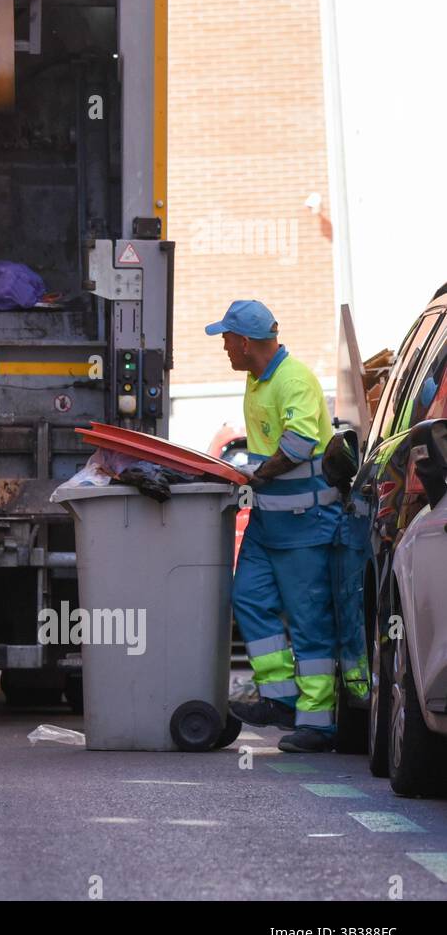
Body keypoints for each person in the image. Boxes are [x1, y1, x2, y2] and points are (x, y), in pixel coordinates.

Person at [208, 300, 342, 752]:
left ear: (246, 342)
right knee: (248, 598)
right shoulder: (257, 379)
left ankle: (318, 724)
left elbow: (301, 444)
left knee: (309, 623)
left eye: (227, 339)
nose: (224, 347)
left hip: (305, 525)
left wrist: (256, 474)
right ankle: (280, 700)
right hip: (270, 523)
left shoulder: (293, 379)